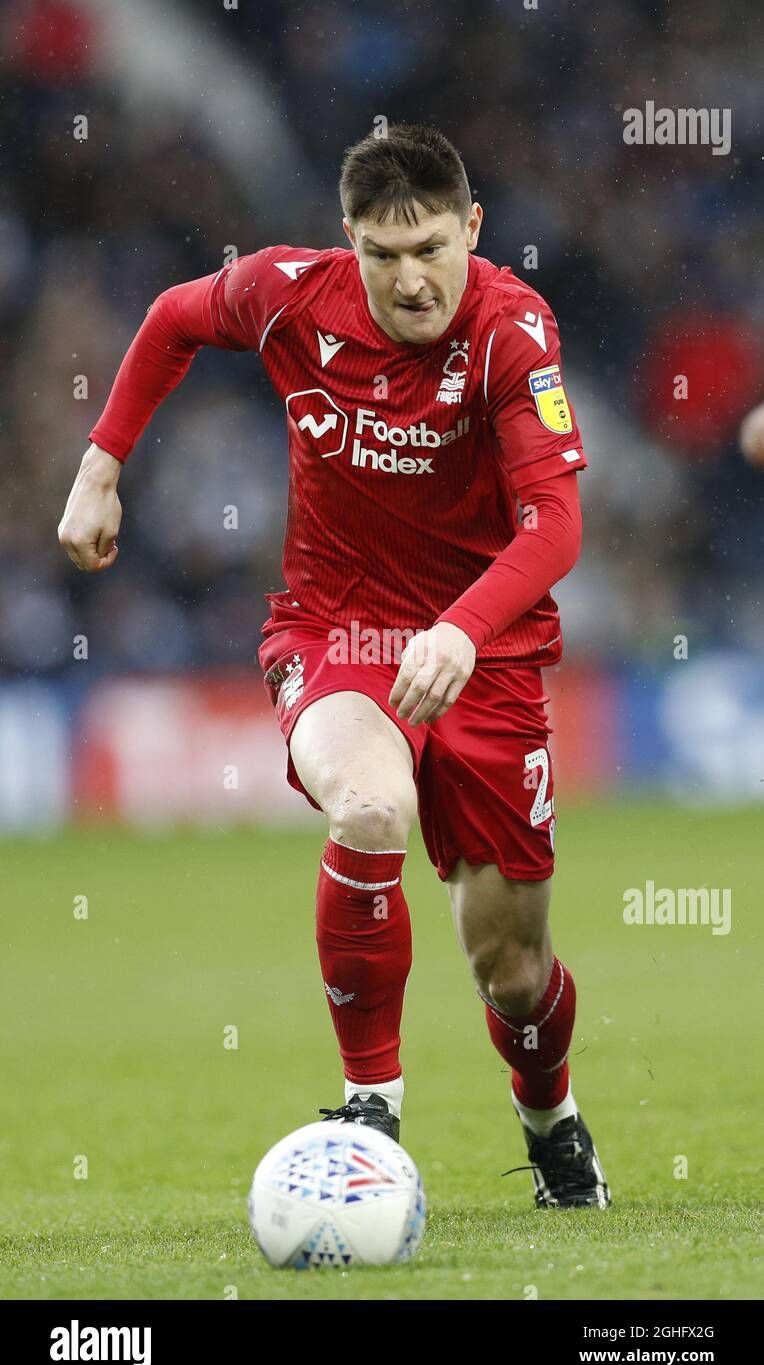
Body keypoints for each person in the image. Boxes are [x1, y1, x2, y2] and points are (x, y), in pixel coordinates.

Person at [58, 122, 610, 1209]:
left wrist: (460, 626)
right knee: (365, 808)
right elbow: (174, 317)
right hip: (336, 631)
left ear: (474, 230)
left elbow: (553, 526)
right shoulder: (287, 296)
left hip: (485, 653)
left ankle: (549, 1117)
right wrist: (100, 464)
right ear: (346, 241)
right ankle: (372, 1114)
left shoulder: (511, 331)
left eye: (433, 248)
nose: (411, 280)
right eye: (382, 253)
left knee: (513, 972)